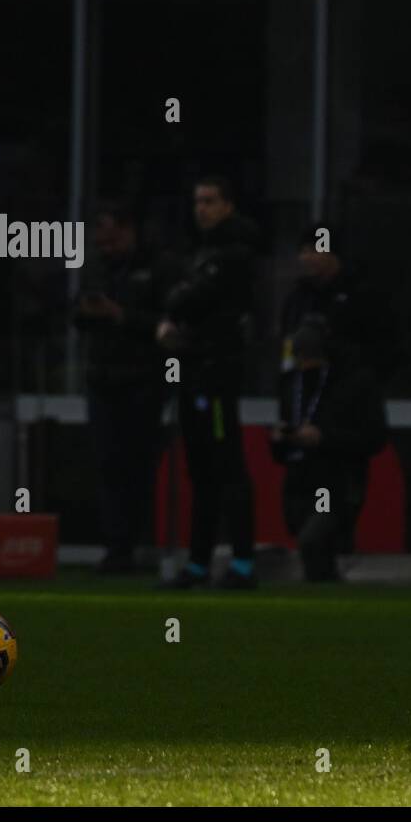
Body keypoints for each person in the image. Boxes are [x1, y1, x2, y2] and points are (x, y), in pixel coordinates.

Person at [156, 177, 261, 590]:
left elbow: (189, 297)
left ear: (228, 205)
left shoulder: (235, 252)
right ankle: (198, 562)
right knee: (200, 469)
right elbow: (182, 296)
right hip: (194, 370)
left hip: (217, 373)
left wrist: (177, 311)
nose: (202, 209)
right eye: (198, 201)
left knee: (228, 466)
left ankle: (243, 563)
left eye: (210, 201)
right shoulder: (201, 251)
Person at [73, 200, 177, 573]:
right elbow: (77, 315)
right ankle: (116, 548)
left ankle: (141, 543)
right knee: (108, 465)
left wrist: (121, 316)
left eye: (113, 239)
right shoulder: (98, 269)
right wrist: (85, 312)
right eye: (101, 241)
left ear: (130, 231)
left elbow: (168, 324)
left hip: (142, 381)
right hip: (103, 379)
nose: (107, 248)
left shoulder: (159, 267)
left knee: (139, 466)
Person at [270, 315, 387, 582]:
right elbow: (282, 440)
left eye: (310, 360)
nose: (304, 367)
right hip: (299, 478)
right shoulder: (291, 384)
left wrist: (324, 438)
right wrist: (280, 438)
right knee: (309, 540)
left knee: (314, 539)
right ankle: (327, 587)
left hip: (333, 482)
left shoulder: (355, 383)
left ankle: (326, 587)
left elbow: (374, 437)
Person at [279, 223, 399, 385]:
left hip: (349, 390)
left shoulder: (360, 295)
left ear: (333, 254)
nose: (306, 258)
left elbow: (381, 346)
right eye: (303, 251)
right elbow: (288, 343)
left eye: (314, 251)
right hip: (306, 391)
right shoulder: (298, 298)